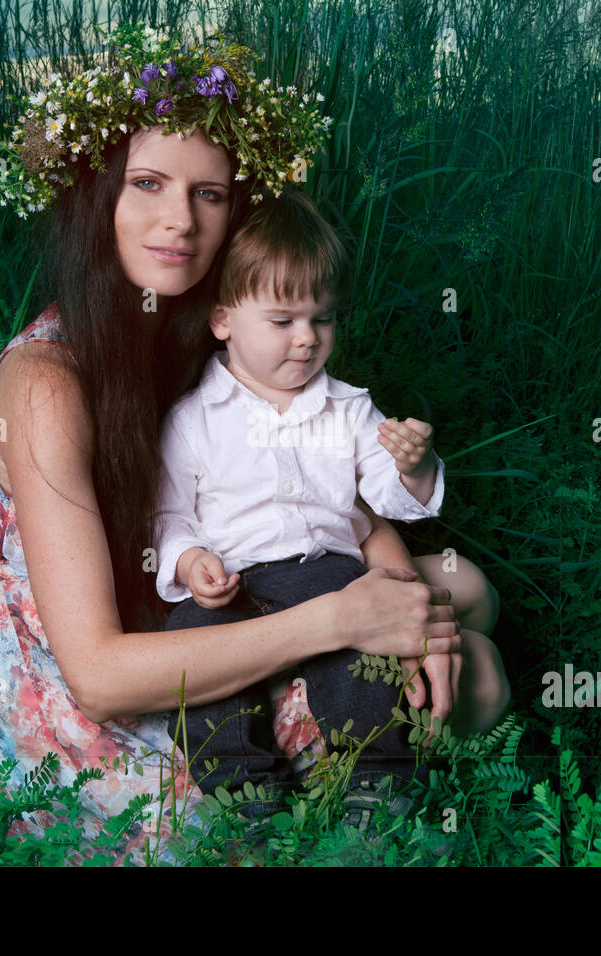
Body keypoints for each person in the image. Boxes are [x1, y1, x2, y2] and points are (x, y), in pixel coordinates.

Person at [0, 25, 508, 865]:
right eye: (146, 183)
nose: (179, 220)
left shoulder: (197, 333)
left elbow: (326, 496)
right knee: (483, 670)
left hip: (206, 593)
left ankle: (372, 707)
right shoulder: (47, 383)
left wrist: (392, 599)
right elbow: (98, 674)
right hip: (85, 691)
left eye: (209, 194)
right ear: (94, 195)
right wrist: (341, 617)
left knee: (467, 593)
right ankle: (325, 807)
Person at [154, 189, 502, 820]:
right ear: (223, 319)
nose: (308, 340)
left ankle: (378, 780)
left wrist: (414, 468)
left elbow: (385, 502)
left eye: (323, 319)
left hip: (326, 570)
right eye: (283, 322)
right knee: (194, 652)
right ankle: (243, 795)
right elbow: (169, 514)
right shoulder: (193, 419)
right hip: (235, 582)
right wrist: (187, 559)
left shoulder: (349, 408)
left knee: (362, 658)